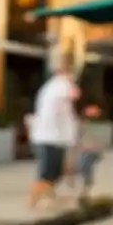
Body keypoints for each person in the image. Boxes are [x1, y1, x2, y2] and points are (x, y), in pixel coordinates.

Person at [27, 64, 80, 208]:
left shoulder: (53, 88)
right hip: (50, 138)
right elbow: (73, 94)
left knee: (54, 173)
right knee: (48, 173)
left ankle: (46, 198)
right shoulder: (58, 87)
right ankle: (34, 200)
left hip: (53, 138)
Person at [72, 105, 104, 199]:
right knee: (83, 170)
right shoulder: (80, 125)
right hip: (85, 151)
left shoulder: (92, 126)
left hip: (90, 152)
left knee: (85, 169)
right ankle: (85, 189)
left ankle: (86, 189)